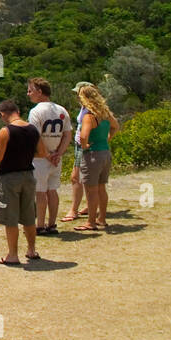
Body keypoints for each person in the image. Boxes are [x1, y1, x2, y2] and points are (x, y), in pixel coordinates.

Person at [0, 99, 42, 265]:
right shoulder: (33, 129)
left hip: (10, 177)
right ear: (18, 111)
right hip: (28, 175)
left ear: (3, 114)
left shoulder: (6, 131)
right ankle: (31, 250)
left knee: (10, 217)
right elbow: (43, 152)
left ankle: (13, 255)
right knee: (29, 215)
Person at [26, 77, 71, 235]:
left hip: (40, 159)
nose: (28, 94)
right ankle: (52, 224)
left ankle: (40, 225)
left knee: (40, 192)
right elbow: (67, 135)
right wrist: (58, 153)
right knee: (52, 190)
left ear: (39, 92)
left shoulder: (36, 112)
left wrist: (47, 155)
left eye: (30, 91)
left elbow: (35, 137)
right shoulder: (62, 110)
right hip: (56, 158)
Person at [74, 83, 119, 232]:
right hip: (105, 152)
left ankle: (91, 222)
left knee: (91, 190)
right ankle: (102, 219)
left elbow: (84, 135)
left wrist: (85, 145)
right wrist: (107, 138)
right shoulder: (105, 113)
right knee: (101, 188)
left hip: (92, 154)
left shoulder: (89, 116)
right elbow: (116, 126)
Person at [61, 81, 95, 222]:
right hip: (81, 144)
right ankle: (89, 206)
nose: (76, 96)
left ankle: (73, 210)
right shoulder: (89, 107)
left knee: (76, 177)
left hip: (83, 145)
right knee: (86, 178)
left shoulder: (90, 110)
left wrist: (85, 143)